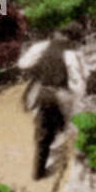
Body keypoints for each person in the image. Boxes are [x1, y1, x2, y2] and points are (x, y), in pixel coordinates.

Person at [17, 30, 79, 180]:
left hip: (42, 91)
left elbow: (23, 64)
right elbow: (76, 81)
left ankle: (40, 167)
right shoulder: (69, 52)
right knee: (58, 126)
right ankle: (49, 158)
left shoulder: (42, 47)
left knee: (44, 129)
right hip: (57, 93)